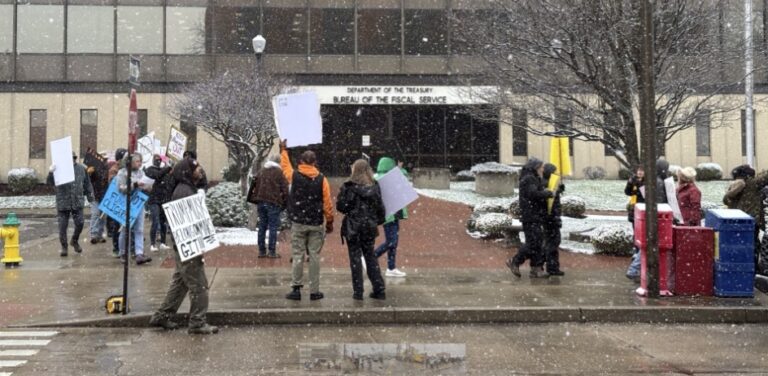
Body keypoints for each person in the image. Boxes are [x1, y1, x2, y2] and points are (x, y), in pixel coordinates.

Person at [149, 158, 218, 335]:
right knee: (199, 285)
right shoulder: (185, 191)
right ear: (187, 172)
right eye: (196, 168)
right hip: (188, 244)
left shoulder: (186, 188)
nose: (200, 170)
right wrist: (198, 244)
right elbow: (188, 222)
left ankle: (162, 316)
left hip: (185, 244)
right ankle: (197, 323)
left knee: (180, 282)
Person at [280, 140, 334, 301]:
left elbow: (285, 167)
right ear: (315, 162)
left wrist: (284, 150)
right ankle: (314, 290)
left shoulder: (294, 176)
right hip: (316, 222)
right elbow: (327, 202)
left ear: (302, 161)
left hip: (298, 221)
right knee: (314, 256)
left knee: (297, 255)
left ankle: (296, 289)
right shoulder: (322, 179)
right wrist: (329, 221)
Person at [337, 159, 387, 300]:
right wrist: (377, 220)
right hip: (369, 227)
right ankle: (379, 288)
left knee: (355, 259)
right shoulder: (374, 186)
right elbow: (380, 208)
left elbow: (341, 206)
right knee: (370, 257)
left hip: (353, 227)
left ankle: (358, 292)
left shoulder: (348, 186)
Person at [506, 157, 553, 278]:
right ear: (536, 167)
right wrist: (547, 194)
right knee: (533, 243)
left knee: (538, 243)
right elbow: (533, 194)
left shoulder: (533, 178)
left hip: (534, 216)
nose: (543, 169)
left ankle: (536, 268)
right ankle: (515, 261)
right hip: (531, 217)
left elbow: (538, 188)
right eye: (541, 167)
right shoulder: (529, 179)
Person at [626, 159, 670, 282]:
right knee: (648, 244)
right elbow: (659, 201)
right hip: (656, 217)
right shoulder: (658, 182)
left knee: (644, 243)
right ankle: (635, 269)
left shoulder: (653, 181)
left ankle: (636, 267)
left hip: (648, 215)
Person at [47, 152, 96, 256]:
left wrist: (91, 197)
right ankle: (64, 247)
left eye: (73, 158)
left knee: (80, 223)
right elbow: (50, 183)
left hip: (77, 201)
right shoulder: (59, 169)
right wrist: (51, 172)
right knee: (62, 227)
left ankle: (74, 240)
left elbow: (87, 184)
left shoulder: (81, 169)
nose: (72, 160)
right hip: (63, 202)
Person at [723, 164, 768, 274]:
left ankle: (740, 271)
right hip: (751, 220)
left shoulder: (734, 186)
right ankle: (752, 272)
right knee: (753, 246)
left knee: (740, 247)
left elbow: (726, 200)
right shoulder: (752, 183)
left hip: (736, 220)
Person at [373, 157, 409, 278]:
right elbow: (403, 177)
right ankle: (371, 257)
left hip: (394, 214)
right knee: (391, 242)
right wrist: (399, 169)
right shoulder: (383, 178)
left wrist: (398, 170)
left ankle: (391, 267)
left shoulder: (381, 177)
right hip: (390, 215)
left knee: (393, 243)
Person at [249, 153, 289, 258]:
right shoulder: (279, 172)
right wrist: (286, 201)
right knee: (273, 227)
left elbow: (255, 184)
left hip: (261, 202)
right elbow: (285, 188)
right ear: (278, 162)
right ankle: (272, 251)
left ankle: (261, 250)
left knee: (262, 226)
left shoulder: (262, 171)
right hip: (273, 202)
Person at [116, 153, 152, 265]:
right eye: (137, 161)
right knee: (125, 229)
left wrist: (147, 186)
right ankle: (123, 253)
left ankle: (139, 254)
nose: (140, 163)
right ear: (130, 162)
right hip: (126, 204)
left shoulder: (141, 173)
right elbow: (121, 188)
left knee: (139, 229)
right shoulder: (122, 173)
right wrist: (134, 185)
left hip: (138, 204)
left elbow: (148, 187)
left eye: (140, 161)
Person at [144, 154, 173, 252]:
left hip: (162, 199)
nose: (158, 161)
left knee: (163, 222)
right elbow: (157, 175)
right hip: (153, 200)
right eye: (156, 159)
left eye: (159, 160)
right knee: (155, 221)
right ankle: (152, 244)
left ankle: (163, 243)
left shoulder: (163, 171)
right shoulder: (150, 170)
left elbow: (168, 182)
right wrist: (167, 168)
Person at [541, 163, 565, 276]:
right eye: (554, 171)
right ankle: (549, 266)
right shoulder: (547, 184)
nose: (556, 173)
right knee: (553, 242)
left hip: (550, 217)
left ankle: (550, 266)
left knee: (551, 242)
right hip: (550, 218)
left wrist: (559, 190)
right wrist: (555, 216)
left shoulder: (548, 183)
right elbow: (550, 202)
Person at [624, 166, 645, 282]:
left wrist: (640, 185)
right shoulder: (633, 180)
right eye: (639, 171)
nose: (640, 173)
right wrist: (630, 183)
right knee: (636, 233)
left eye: (642, 171)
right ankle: (636, 252)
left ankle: (638, 254)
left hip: (643, 210)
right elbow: (627, 192)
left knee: (641, 235)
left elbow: (645, 195)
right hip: (635, 210)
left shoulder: (647, 182)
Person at [106, 148, 128, 257]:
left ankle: (124, 247)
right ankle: (116, 247)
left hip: (124, 201)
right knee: (116, 225)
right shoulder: (114, 170)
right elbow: (113, 183)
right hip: (116, 201)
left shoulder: (127, 169)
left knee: (125, 226)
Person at [85, 151, 109, 244]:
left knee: (102, 216)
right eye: (103, 158)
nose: (105, 161)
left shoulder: (107, 169)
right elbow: (89, 178)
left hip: (104, 195)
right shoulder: (93, 168)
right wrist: (90, 173)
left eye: (106, 159)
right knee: (95, 214)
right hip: (95, 195)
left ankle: (100, 234)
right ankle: (94, 234)